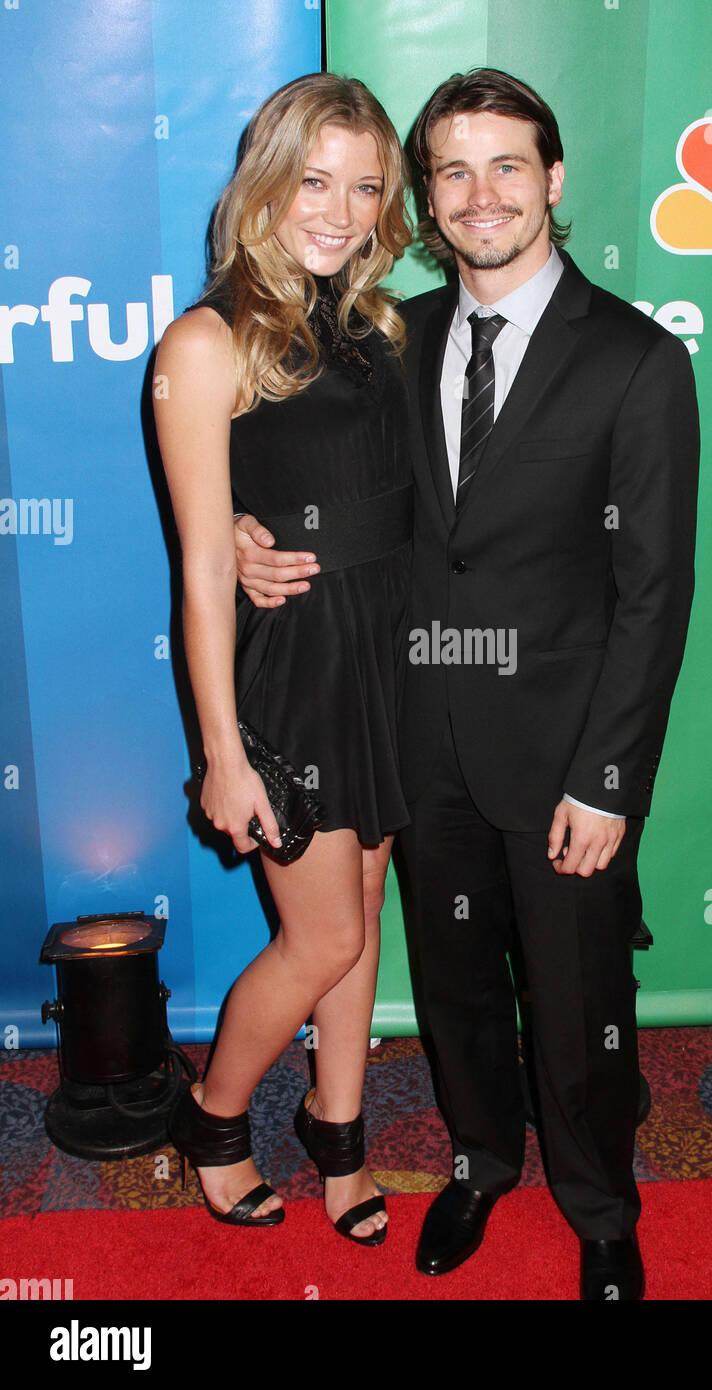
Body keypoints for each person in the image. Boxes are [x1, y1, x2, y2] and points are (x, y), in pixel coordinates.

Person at [233, 68, 699, 1298]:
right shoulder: (396, 338)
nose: (481, 194)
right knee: (450, 985)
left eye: (508, 166)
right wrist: (237, 527)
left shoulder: (639, 362)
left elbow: (655, 598)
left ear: (554, 181)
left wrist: (610, 781)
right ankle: (485, 1159)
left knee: (579, 994)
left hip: (561, 758)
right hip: (417, 734)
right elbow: (306, 463)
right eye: (452, 170)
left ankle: (601, 1207)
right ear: (428, 203)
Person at [154, 72, 413, 1241]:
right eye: (315, 180)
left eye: (364, 188)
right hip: (294, 672)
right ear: (266, 179)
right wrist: (222, 754)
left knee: (363, 904)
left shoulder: (373, 327)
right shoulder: (207, 342)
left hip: (387, 657)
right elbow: (206, 562)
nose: (340, 210)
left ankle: (340, 1140)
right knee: (329, 933)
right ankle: (211, 1115)